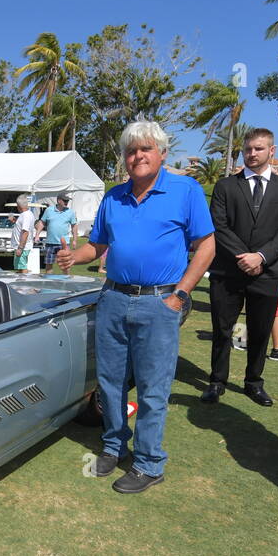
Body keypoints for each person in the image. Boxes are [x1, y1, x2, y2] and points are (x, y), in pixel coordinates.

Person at [56, 121, 216, 493]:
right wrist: (72, 256)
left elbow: (206, 246)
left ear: (161, 153)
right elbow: (96, 246)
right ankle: (114, 446)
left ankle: (148, 462)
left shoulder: (185, 190)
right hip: (112, 298)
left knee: (152, 386)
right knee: (110, 381)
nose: (137, 156)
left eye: (145, 149)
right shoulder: (114, 196)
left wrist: (180, 295)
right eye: (131, 151)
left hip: (160, 301)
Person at [202, 127, 278, 407]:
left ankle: (253, 382)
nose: (252, 154)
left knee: (260, 331)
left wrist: (260, 256)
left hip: (267, 272)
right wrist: (244, 256)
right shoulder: (225, 186)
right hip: (228, 272)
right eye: (247, 149)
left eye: (258, 149)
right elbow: (218, 226)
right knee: (222, 329)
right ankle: (217, 381)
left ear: (272, 151)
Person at [40, 193, 77, 271]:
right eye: (65, 200)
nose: (67, 202)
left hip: (64, 243)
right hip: (50, 242)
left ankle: (66, 281)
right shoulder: (48, 210)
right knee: (48, 265)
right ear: (59, 200)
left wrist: (75, 240)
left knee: (66, 264)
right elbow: (42, 222)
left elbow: (74, 226)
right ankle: (49, 281)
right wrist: (37, 235)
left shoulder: (71, 212)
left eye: (67, 201)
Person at [10, 194, 37, 274]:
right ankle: (20, 284)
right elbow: (23, 228)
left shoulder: (26, 216)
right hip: (21, 246)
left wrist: (20, 248)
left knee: (23, 268)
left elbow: (25, 232)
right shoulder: (27, 214)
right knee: (20, 267)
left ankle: (24, 285)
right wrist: (15, 221)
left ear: (19, 205)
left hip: (22, 247)